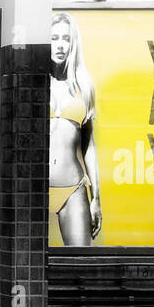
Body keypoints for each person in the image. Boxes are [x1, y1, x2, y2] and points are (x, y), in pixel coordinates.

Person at [48, 12, 102, 246]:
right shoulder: (34, 82)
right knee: (26, 265)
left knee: (80, 265)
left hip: (73, 188)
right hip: (32, 190)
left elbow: (89, 146)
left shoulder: (85, 86)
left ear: (73, 43)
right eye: (54, 38)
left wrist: (97, 198)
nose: (60, 45)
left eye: (66, 39)